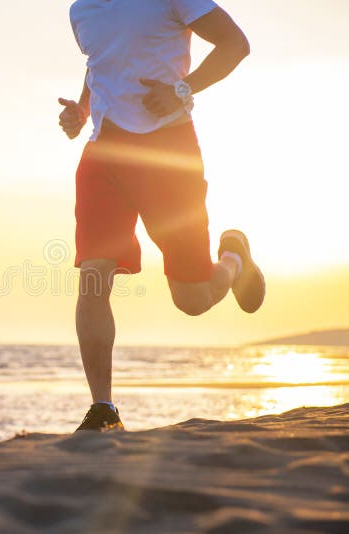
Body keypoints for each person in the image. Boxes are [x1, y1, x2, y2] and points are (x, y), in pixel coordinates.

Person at [60, 0, 264, 432]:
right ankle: (104, 408)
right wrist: (82, 109)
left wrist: (181, 90)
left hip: (169, 153)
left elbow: (234, 44)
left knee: (191, 299)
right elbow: (99, 63)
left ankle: (233, 260)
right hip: (104, 155)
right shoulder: (82, 10)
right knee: (93, 275)